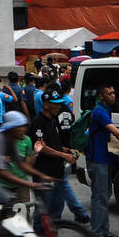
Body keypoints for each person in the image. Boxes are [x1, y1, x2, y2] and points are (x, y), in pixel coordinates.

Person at [31, 90, 88, 222]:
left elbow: (54, 144)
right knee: (44, 212)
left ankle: (53, 236)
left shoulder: (54, 120)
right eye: (55, 104)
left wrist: (69, 150)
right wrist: (64, 155)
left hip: (58, 173)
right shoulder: (38, 122)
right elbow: (42, 147)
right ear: (46, 105)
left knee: (57, 209)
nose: (58, 106)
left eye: (59, 103)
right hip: (45, 174)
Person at [86, 83, 119, 237]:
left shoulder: (105, 110)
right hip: (97, 159)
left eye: (114, 93)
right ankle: (97, 232)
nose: (113, 96)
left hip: (104, 158)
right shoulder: (100, 112)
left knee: (104, 195)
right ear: (101, 96)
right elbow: (116, 132)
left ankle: (104, 230)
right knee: (100, 196)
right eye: (109, 94)